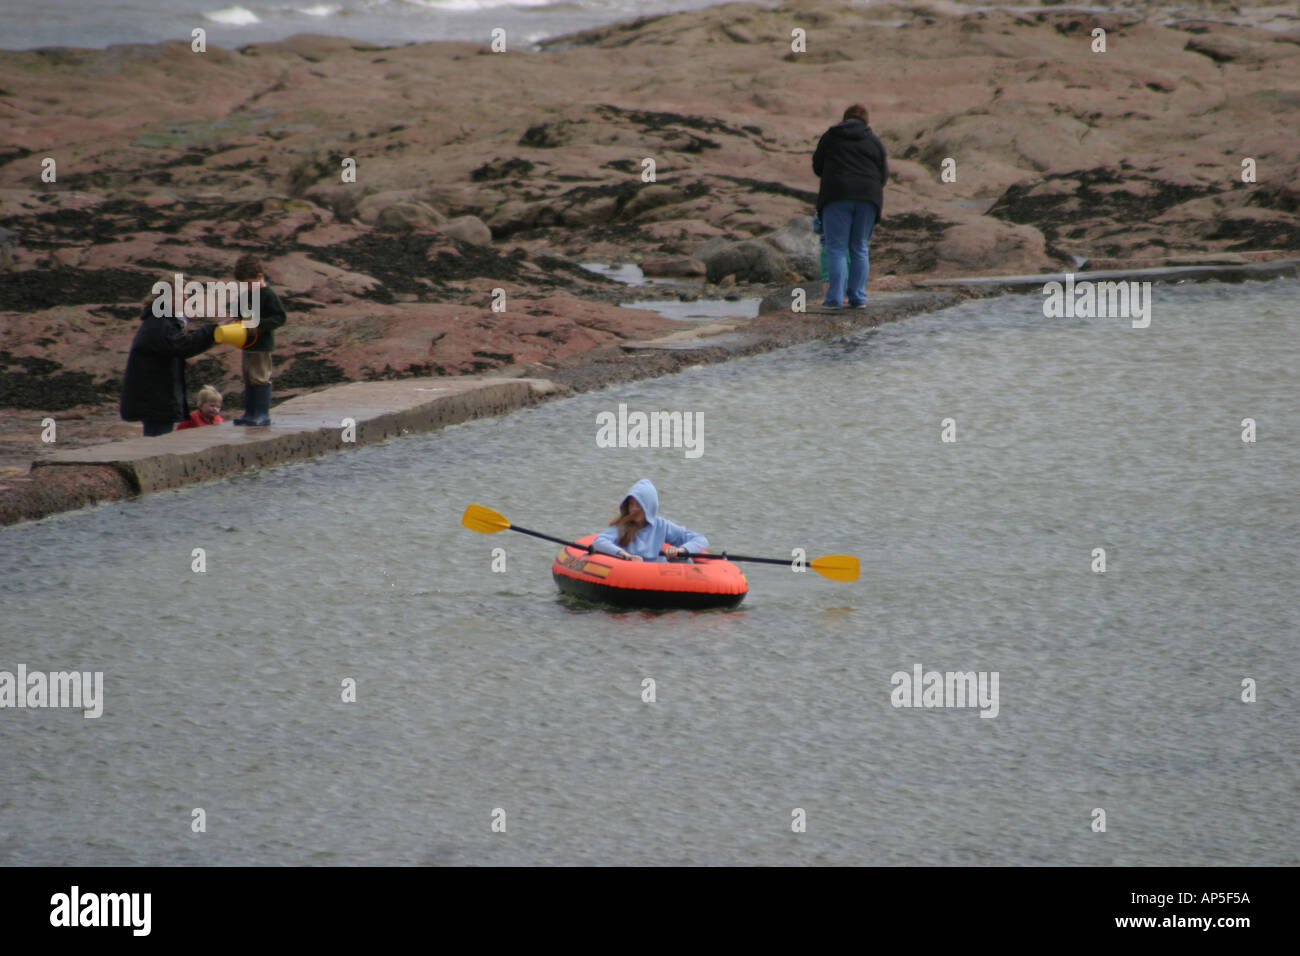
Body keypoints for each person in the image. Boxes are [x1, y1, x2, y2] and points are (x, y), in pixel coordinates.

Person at [120, 277, 219, 436]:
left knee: (157, 441)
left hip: (156, 399)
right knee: (157, 445)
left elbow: (181, 343)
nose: (186, 297)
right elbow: (184, 346)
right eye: (182, 294)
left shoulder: (160, 320)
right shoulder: (159, 323)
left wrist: (213, 332)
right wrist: (213, 332)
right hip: (155, 401)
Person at [812, 103, 888, 309]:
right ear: (866, 121)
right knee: (860, 247)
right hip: (868, 197)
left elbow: (817, 166)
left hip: (837, 195)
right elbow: (883, 175)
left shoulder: (831, 136)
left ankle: (834, 300)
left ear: (844, 119)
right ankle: (858, 298)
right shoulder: (874, 141)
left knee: (836, 247)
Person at [591, 479, 709, 562]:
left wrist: (680, 550)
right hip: (629, 572)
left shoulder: (662, 526)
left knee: (687, 562)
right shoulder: (623, 526)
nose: (633, 509)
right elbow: (599, 541)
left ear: (649, 507)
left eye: (638, 505)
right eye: (631, 504)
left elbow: (700, 540)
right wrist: (627, 556)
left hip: (655, 575)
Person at [231, 255, 287, 426]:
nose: (247, 287)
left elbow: (280, 317)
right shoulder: (245, 295)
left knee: (260, 377)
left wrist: (259, 326)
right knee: (248, 377)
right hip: (247, 344)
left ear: (260, 277)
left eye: (249, 283)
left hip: (262, 345)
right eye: (244, 284)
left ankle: (262, 414)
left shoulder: (268, 295)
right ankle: (250, 413)